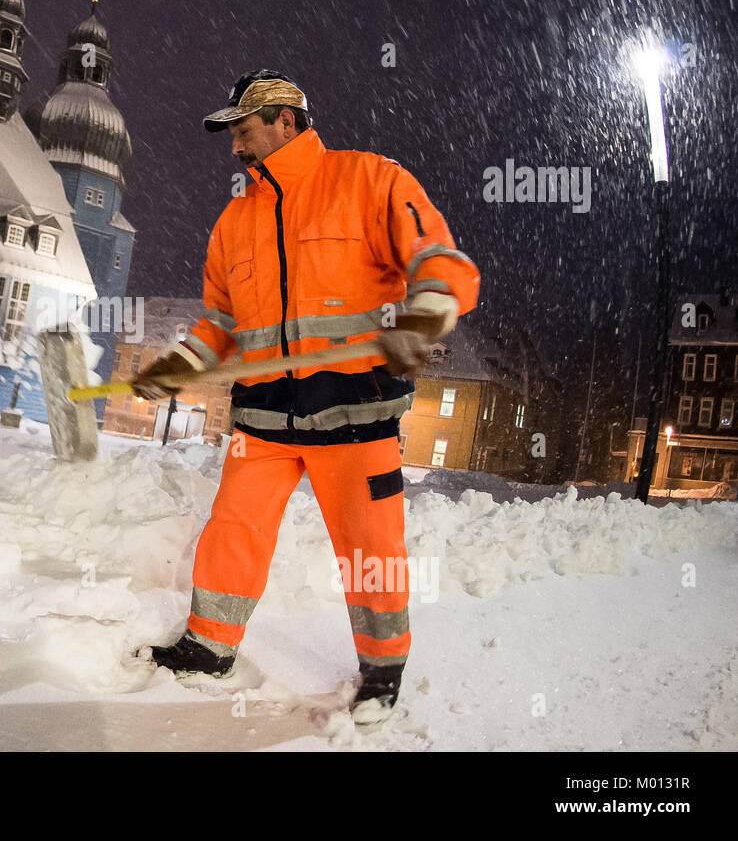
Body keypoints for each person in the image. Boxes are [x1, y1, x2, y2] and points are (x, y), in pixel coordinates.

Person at [133, 69, 480, 727]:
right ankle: (211, 646)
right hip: (264, 416)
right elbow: (221, 323)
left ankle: (382, 666)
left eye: (244, 128)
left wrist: (427, 310)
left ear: (284, 120)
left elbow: (437, 254)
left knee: (371, 546)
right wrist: (181, 361)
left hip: (356, 408)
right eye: (230, 132)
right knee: (233, 529)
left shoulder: (368, 180)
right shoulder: (235, 221)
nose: (234, 145)